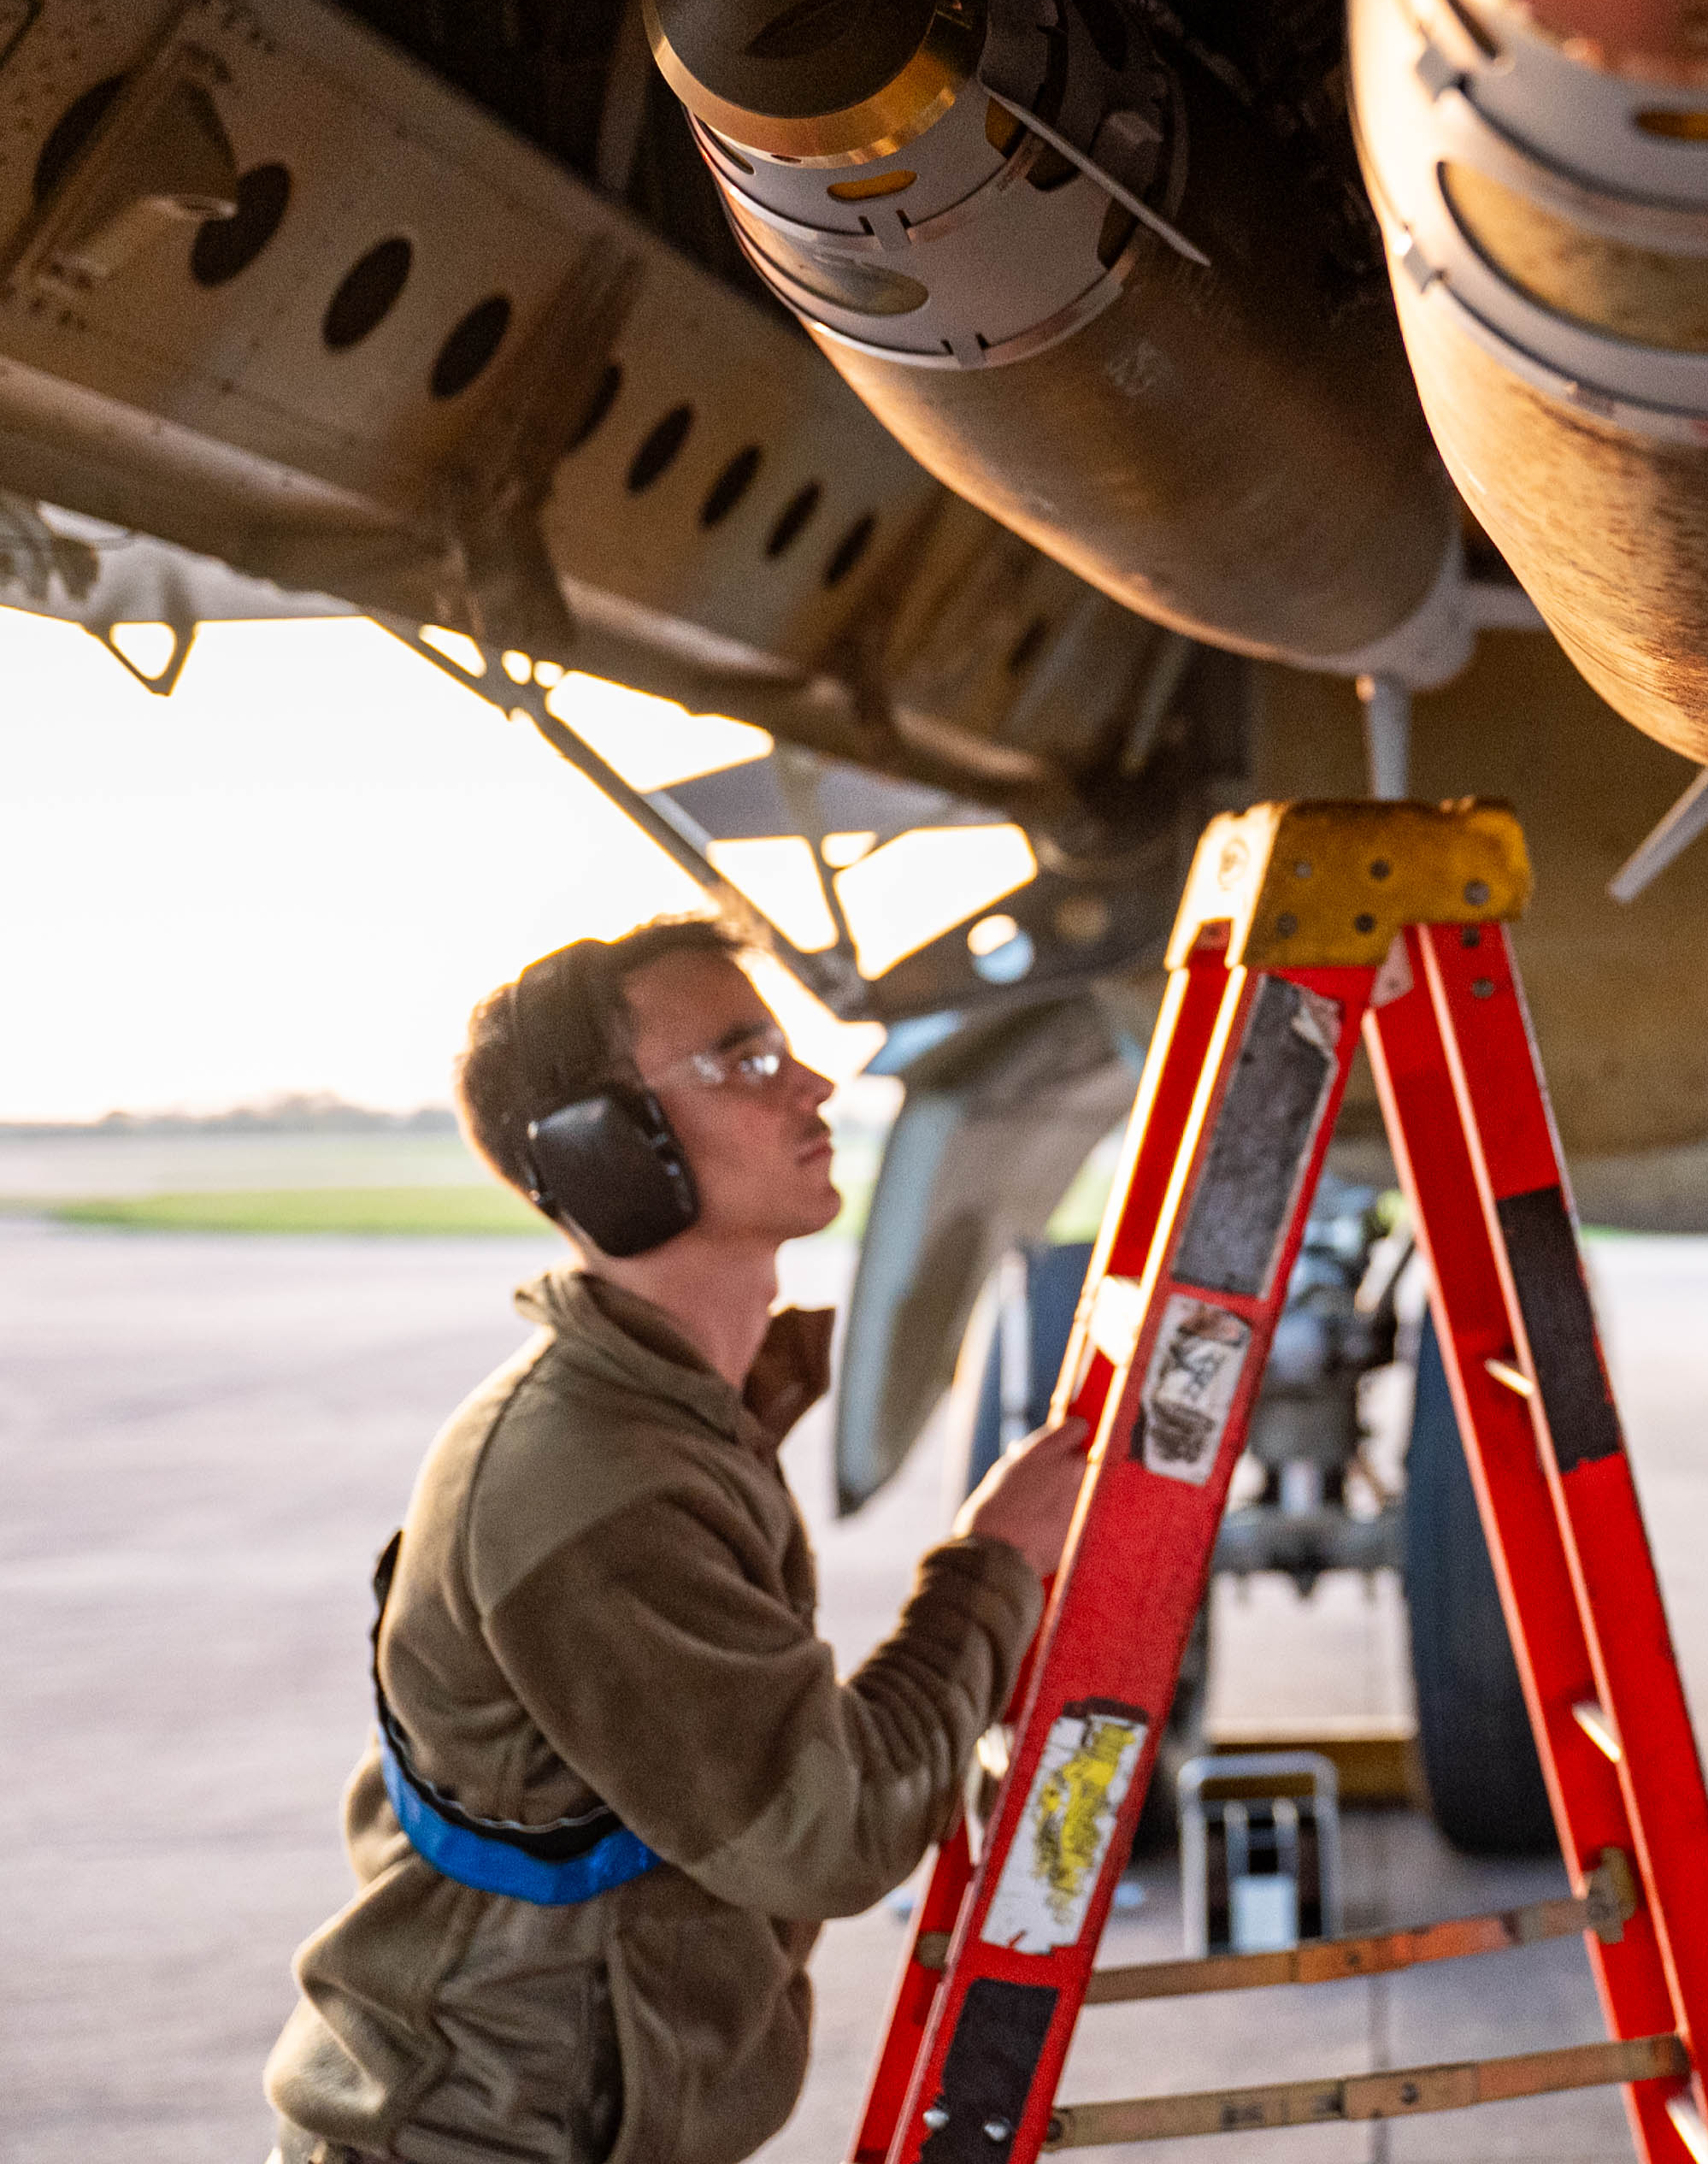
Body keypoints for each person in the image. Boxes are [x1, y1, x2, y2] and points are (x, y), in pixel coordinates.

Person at [266, 917, 1091, 2164]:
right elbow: (828, 1834)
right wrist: (988, 1569)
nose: (812, 1085)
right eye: (743, 1059)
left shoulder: (667, 1421)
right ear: (609, 1155)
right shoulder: (596, 1482)